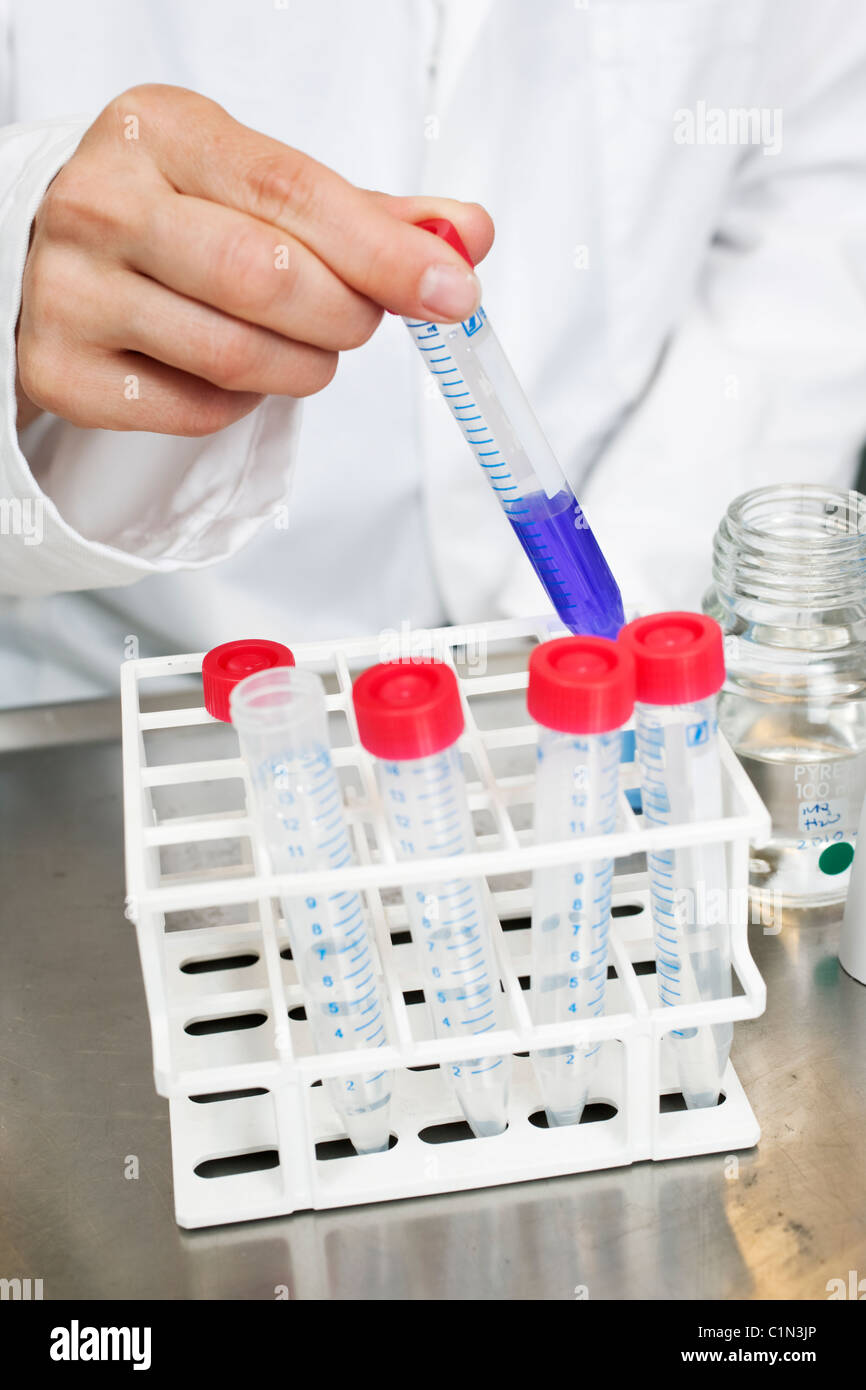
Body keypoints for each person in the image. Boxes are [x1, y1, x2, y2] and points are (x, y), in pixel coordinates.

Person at [2, 0, 866, 706]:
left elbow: (813, 201)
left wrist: (627, 595)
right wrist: (23, 273)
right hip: (124, 715)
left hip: (601, 650)